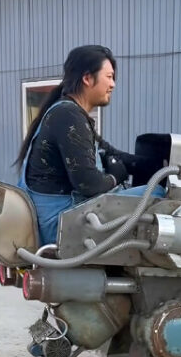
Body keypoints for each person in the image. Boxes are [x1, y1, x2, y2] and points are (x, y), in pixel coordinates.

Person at [15, 45, 161, 245]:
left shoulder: (69, 113)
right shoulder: (68, 115)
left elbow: (108, 152)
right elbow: (89, 184)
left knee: (153, 188)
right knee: (159, 193)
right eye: (109, 77)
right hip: (60, 224)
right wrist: (115, 177)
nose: (113, 84)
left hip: (64, 216)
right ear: (87, 78)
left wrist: (159, 165)